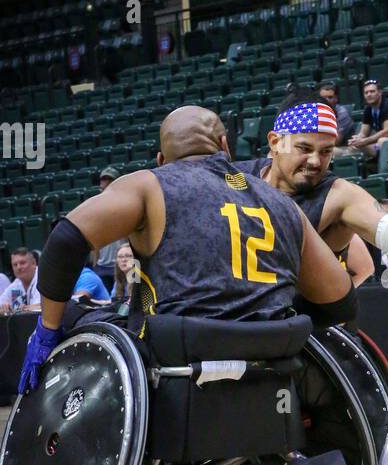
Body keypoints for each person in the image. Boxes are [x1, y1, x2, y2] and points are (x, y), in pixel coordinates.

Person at [18, 106, 356, 395]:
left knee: (78, 315)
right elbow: (340, 301)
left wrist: (47, 329)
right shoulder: (284, 205)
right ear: (225, 147)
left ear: (162, 159)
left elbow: (65, 240)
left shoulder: (150, 183)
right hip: (270, 363)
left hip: (179, 362)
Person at [240, 96, 388, 292]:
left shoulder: (339, 194)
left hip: (295, 324)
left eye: (325, 152)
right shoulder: (234, 176)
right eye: (304, 148)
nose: (315, 161)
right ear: (275, 142)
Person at [349, 78, 388, 165]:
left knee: (382, 141)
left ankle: (383, 168)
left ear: (380, 92)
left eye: (372, 91)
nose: (369, 94)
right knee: (353, 146)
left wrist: (364, 141)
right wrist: (356, 139)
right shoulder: (368, 110)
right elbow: (363, 133)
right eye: (366, 93)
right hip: (381, 142)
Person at [0, 248, 41, 313]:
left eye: (22, 263)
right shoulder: (17, 282)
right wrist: (4, 307)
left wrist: (17, 309)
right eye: (15, 265)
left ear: (33, 263)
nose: (18, 267)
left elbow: (40, 308)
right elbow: (2, 302)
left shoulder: (42, 278)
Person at [318, 82, 353, 149]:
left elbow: (336, 141)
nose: (326, 100)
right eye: (323, 98)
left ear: (336, 99)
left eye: (330, 97)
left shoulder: (342, 113)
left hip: (344, 148)